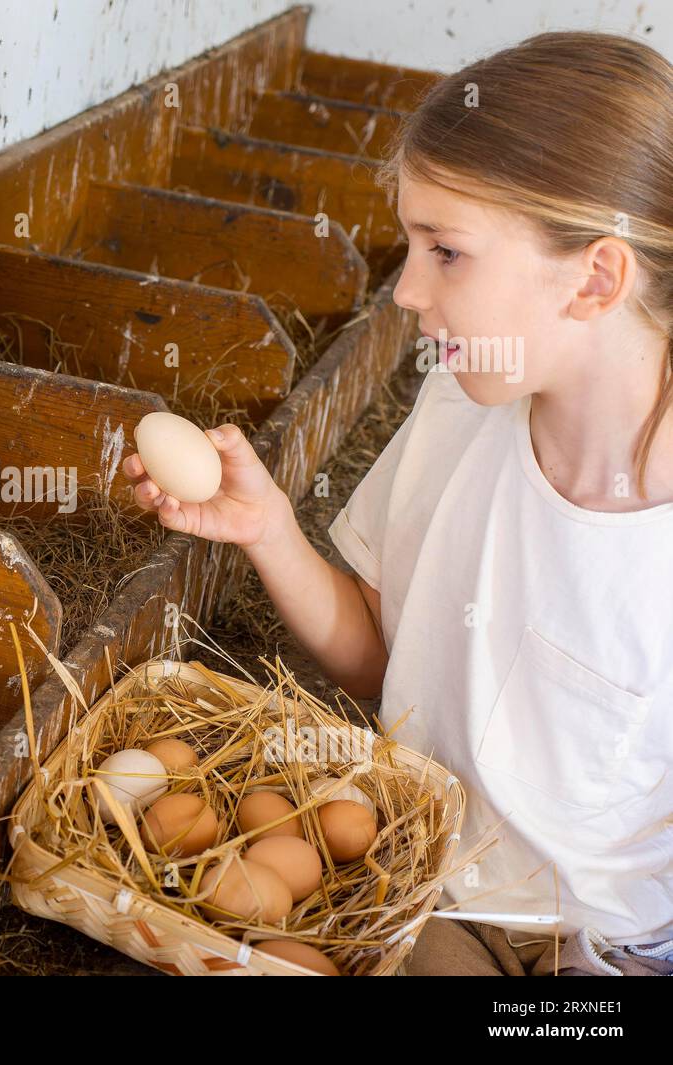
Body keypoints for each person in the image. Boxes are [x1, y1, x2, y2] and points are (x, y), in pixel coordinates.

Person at [124, 30, 673, 975]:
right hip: (409, 880)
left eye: (447, 253)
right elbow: (387, 658)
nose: (407, 291)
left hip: (594, 958)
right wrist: (269, 531)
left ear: (595, 278)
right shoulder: (464, 402)